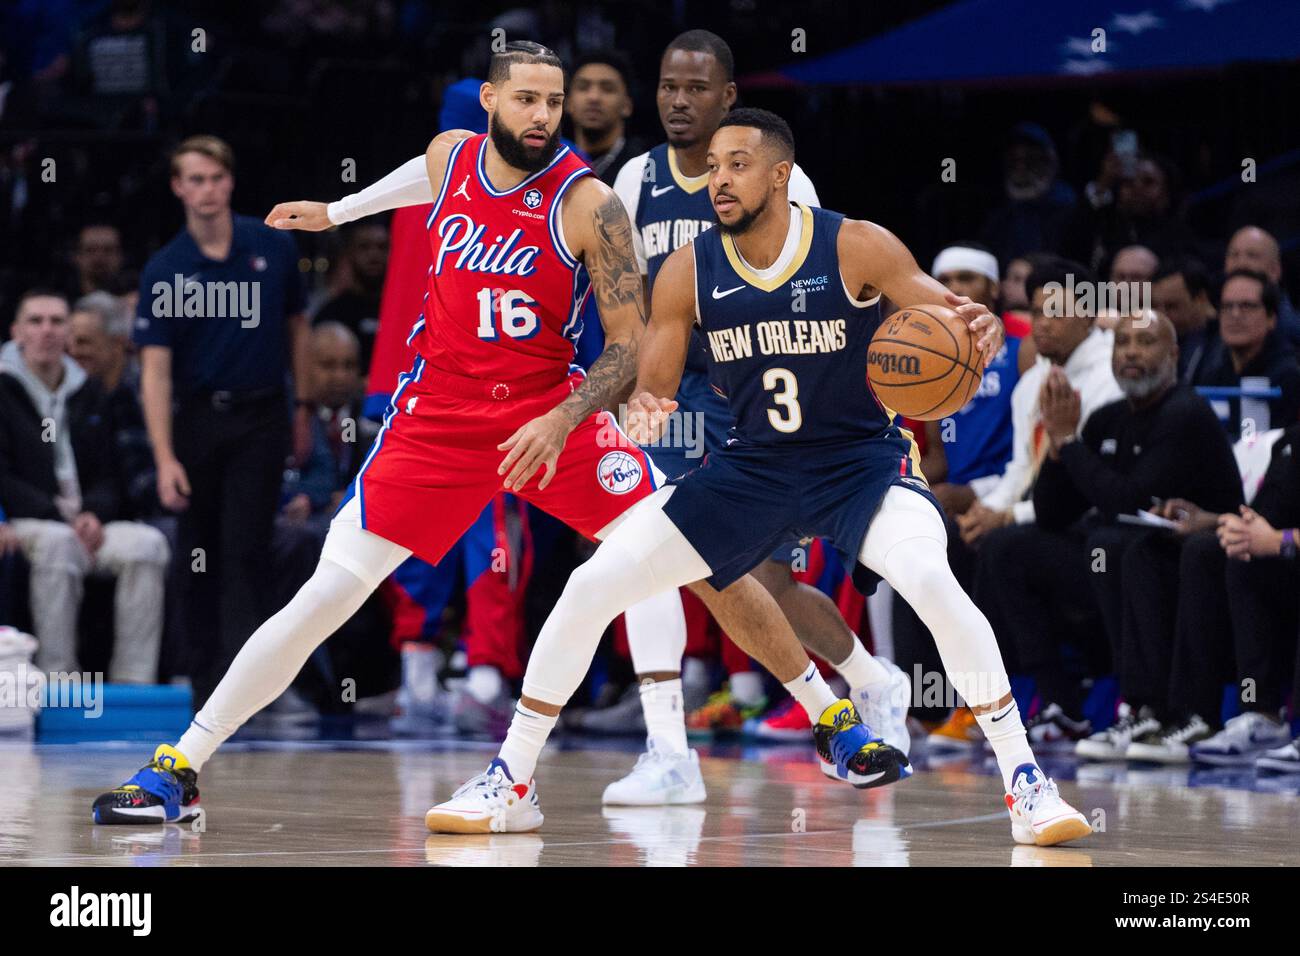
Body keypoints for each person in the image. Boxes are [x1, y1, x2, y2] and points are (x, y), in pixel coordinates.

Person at [89, 44, 900, 826]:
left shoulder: (590, 203)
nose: (543, 115)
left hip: (548, 414)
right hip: (435, 420)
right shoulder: (452, 155)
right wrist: (338, 211)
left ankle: (829, 719)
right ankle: (181, 766)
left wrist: (564, 417)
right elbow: (422, 176)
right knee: (323, 598)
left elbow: (628, 345)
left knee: (698, 550)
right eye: (526, 99)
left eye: (554, 102)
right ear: (490, 100)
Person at [427, 109, 1091, 847]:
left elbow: (951, 313)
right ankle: (512, 780)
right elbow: (655, 385)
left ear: (780, 175)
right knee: (591, 585)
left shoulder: (854, 243)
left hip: (861, 463)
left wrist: (978, 325)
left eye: (737, 165)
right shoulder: (687, 270)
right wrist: (645, 409)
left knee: (931, 580)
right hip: (751, 470)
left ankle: (1026, 781)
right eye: (713, 166)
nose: (718, 180)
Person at [598, 31, 908, 795]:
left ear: (728, 97)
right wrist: (629, 391)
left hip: (754, 396)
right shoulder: (636, 177)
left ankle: (871, 681)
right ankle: (668, 749)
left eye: (696, 88)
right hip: (671, 393)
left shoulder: (785, 183)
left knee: (766, 577)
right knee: (649, 553)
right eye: (668, 86)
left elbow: (825, 299)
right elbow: (627, 302)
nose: (679, 101)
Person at [133, 134, 311, 708]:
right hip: (198, 422)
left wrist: (304, 407)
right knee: (198, 552)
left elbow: (297, 329)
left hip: (263, 414)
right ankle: (204, 685)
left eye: (216, 178)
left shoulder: (272, 246)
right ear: (178, 188)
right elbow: (155, 372)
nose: (207, 190)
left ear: (230, 182)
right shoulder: (166, 268)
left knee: (249, 549)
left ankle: (253, 690)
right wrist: (164, 457)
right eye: (196, 180)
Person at [1008, 312, 1241, 749]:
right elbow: (1052, 513)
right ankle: (1061, 705)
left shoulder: (1185, 413)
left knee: (1119, 547)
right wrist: (1058, 448)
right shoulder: (1108, 418)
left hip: (1200, 561)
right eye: (1123, 343)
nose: (1131, 352)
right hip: (1124, 561)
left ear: (1173, 355)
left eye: (1146, 342)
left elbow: (1128, 501)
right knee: (1011, 548)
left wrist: (1071, 444)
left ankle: (1144, 708)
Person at [0, 289, 169, 682]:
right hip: (30, 520)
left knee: (148, 545)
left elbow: (110, 474)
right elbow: (3, 476)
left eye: (57, 321)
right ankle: (58, 680)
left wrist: (94, 511)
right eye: (36, 321)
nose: (47, 330)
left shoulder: (89, 391)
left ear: (69, 333)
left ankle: (134, 684)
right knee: (58, 544)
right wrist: (56, 515)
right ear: (17, 332)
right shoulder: (4, 389)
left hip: (84, 522)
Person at [1192, 269, 1300, 439]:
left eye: (1247, 306)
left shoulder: (1290, 377)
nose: (1235, 315)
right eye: (1227, 306)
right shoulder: (1212, 374)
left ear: (1271, 318)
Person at [312, 221, 389, 372]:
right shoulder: (330, 314)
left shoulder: (407, 313)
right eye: (364, 247)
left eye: (382, 247)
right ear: (349, 253)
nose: (374, 255)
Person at [564, 49, 648, 185]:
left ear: (627, 105)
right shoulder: (549, 164)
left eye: (607, 89)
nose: (594, 97)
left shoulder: (645, 167)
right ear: (568, 102)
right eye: (583, 87)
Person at [1150, 256, 1217, 384]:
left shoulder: (1228, 343)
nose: (1161, 316)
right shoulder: (1153, 340)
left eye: (1171, 306)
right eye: (1155, 306)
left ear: (1200, 298)